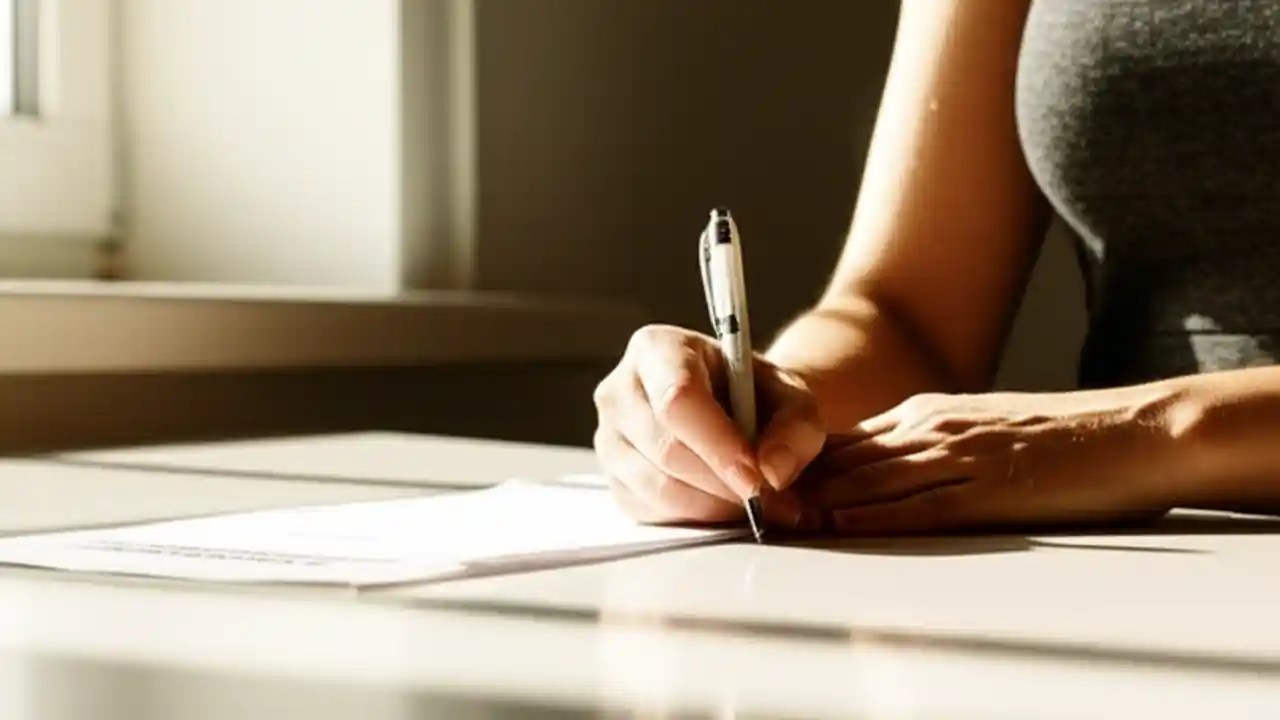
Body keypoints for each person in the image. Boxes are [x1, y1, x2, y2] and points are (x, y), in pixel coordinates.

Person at [591, 0, 1280, 535]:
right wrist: (764, 414)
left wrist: (1156, 433)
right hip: (1131, 574)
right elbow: (907, 316)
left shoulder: (1134, 438)